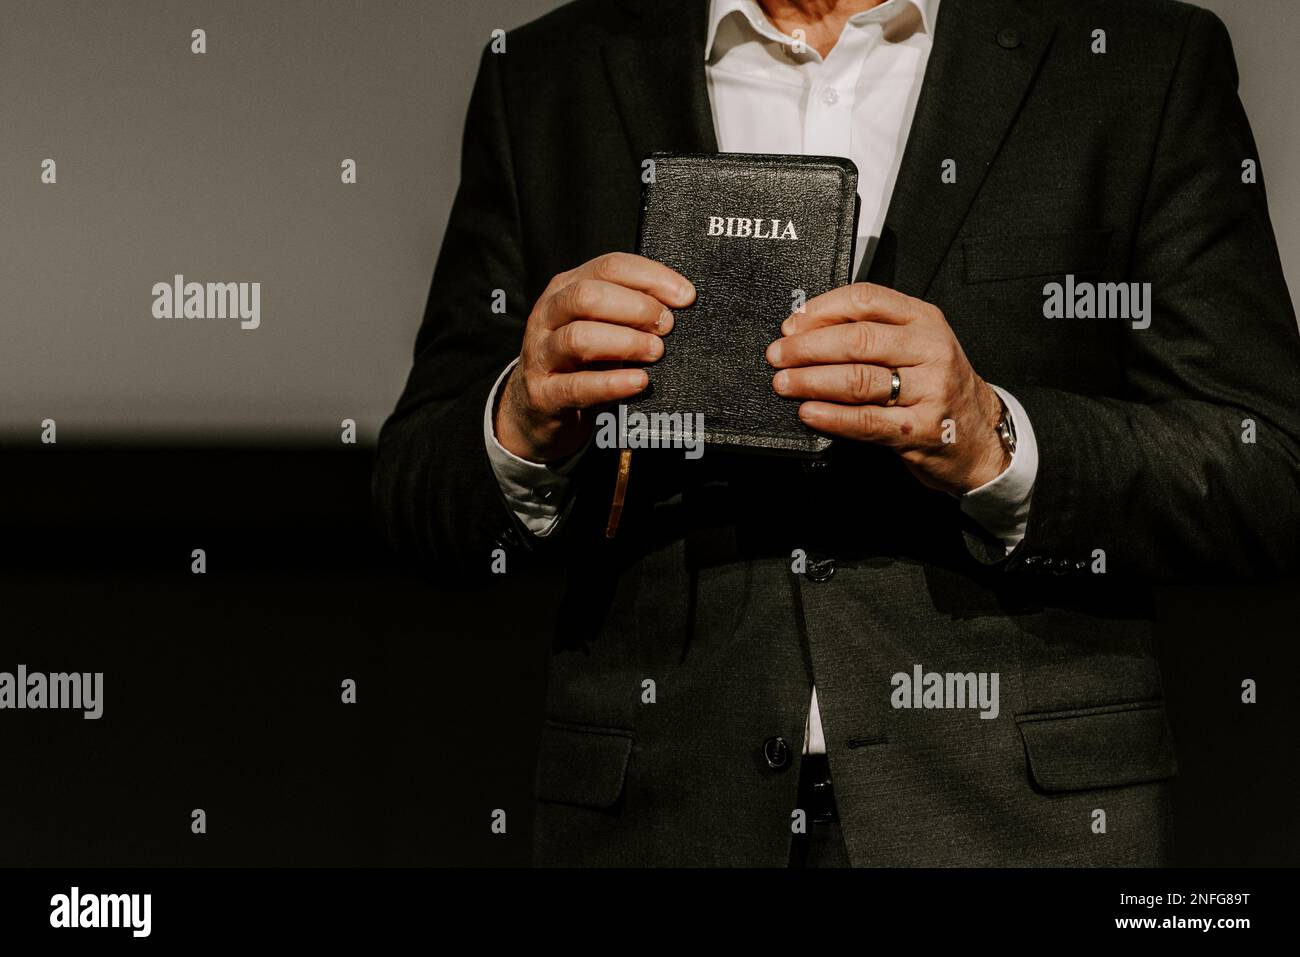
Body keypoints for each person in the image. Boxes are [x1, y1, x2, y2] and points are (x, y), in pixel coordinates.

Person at [373, 0, 1300, 866]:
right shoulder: (547, 74)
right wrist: (520, 420)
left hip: (1021, 825)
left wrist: (994, 439)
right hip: (657, 822)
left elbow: (1267, 469)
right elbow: (417, 488)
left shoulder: (1136, 58)